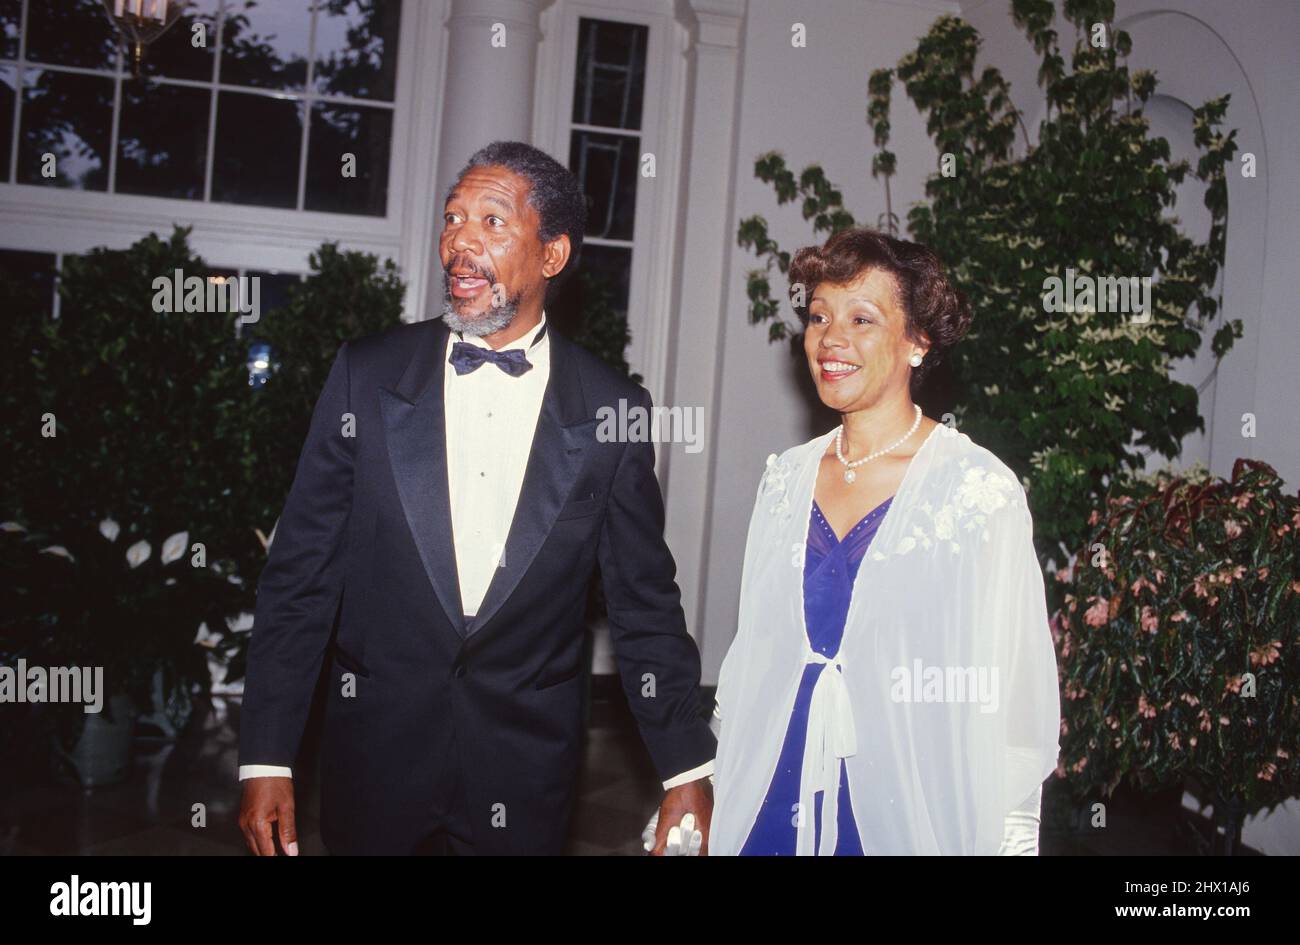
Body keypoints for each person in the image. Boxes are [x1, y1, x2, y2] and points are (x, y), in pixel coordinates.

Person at [237, 141, 715, 856]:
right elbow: (300, 578)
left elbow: (644, 602)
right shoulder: (365, 377)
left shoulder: (615, 411)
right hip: (374, 750)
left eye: (492, 221)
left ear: (552, 256)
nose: (460, 241)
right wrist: (266, 754)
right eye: (453, 219)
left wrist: (687, 764)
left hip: (523, 769)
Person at [710, 228, 1060, 855]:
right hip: (773, 786)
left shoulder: (978, 491)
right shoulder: (785, 479)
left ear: (917, 343)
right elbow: (752, 658)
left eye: (862, 318)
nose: (831, 338)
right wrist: (711, 783)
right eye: (819, 316)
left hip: (905, 800)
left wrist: (1012, 838)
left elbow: (1011, 690)